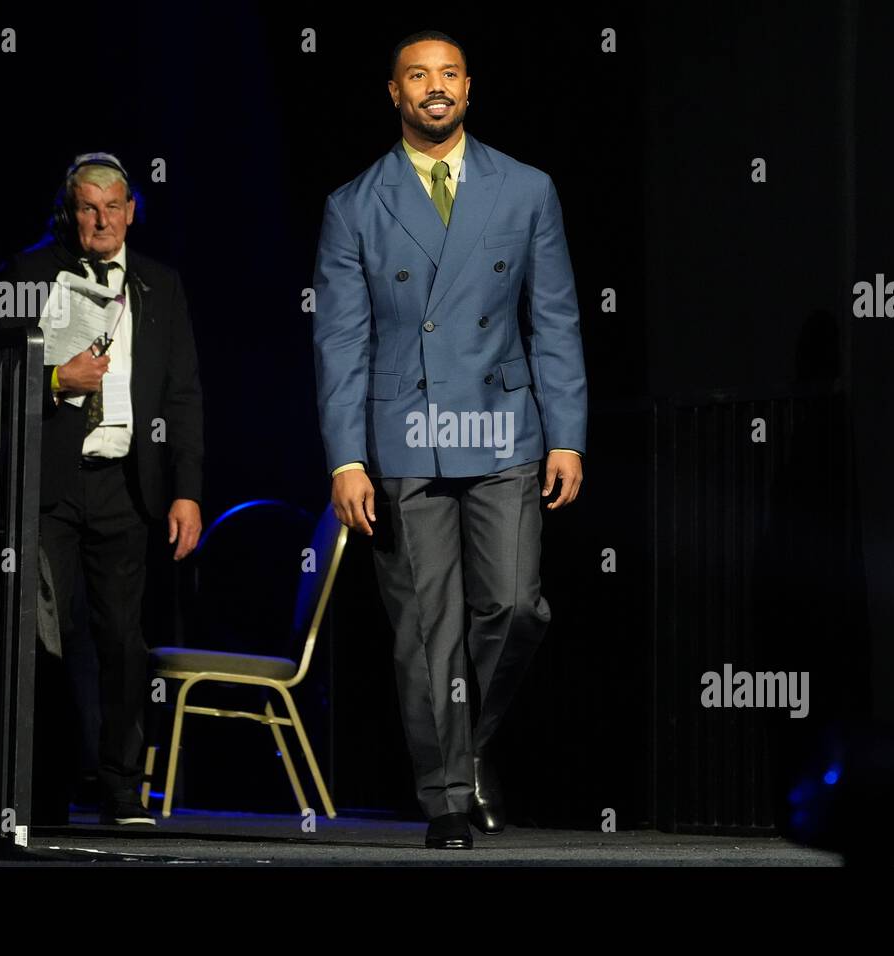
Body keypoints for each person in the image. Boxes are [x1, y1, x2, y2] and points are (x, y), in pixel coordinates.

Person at [311, 32, 587, 848]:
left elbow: (557, 317)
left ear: (469, 88)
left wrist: (567, 435)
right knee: (427, 629)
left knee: (514, 604)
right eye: (419, 76)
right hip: (404, 437)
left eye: (450, 75)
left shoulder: (527, 189)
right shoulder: (354, 205)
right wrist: (345, 456)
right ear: (393, 93)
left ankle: (462, 746)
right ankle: (446, 798)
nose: (437, 88)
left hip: (504, 427)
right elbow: (339, 342)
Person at [0, 153, 204, 825]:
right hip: (50, 482)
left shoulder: (160, 284)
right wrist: (56, 382)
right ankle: (44, 786)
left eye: (113, 207)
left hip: (127, 482)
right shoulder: (29, 273)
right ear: (70, 210)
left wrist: (187, 491)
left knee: (122, 641)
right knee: (46, 641)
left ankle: (121, 787)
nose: (102, 219)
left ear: (131, 212)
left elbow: (183, 395)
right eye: (89, 207)